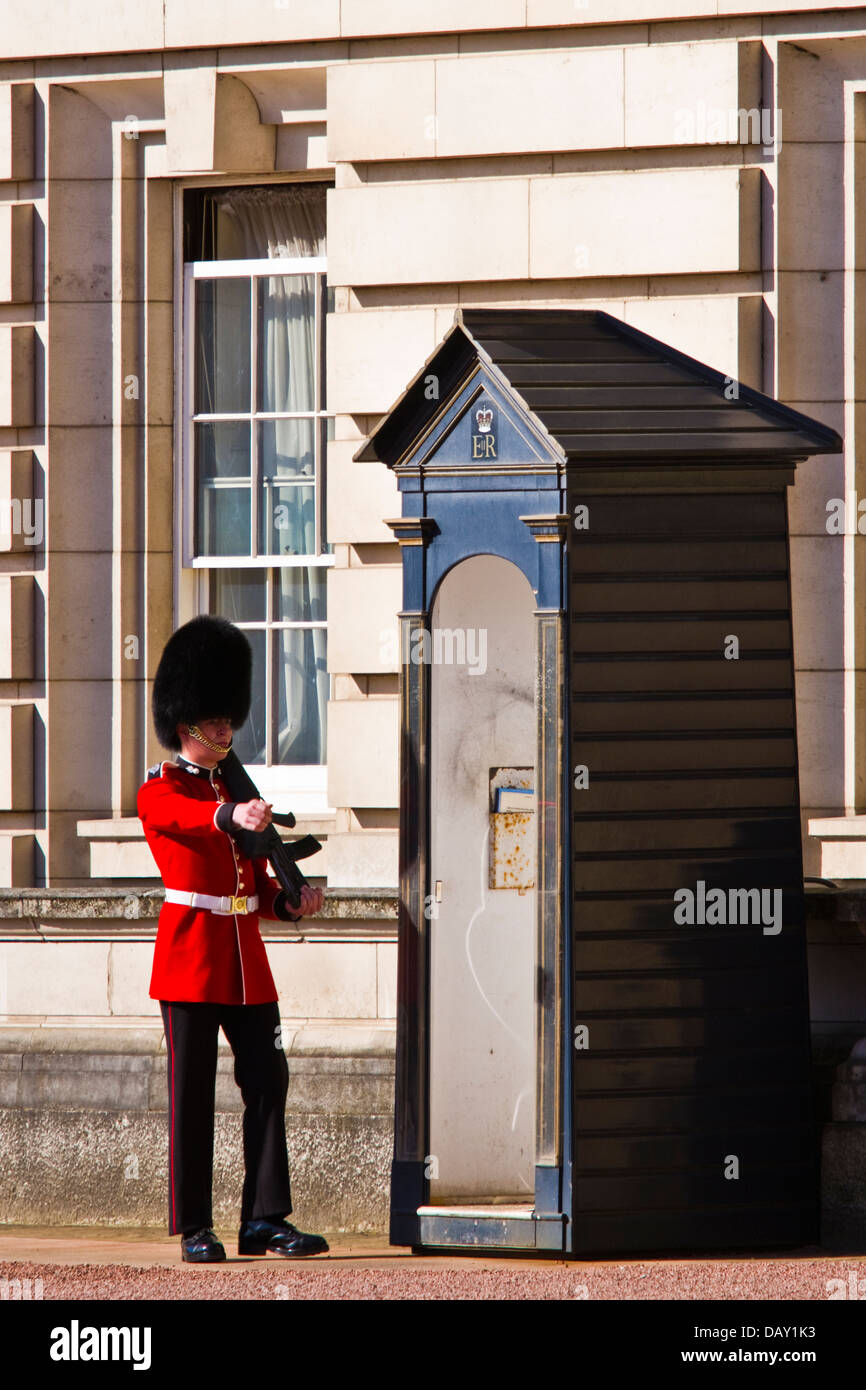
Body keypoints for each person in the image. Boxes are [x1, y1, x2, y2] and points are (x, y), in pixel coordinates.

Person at [137, 614, 327, 1263]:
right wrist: (229, 814)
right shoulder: (161, 791)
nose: (224, 731)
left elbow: (249, 885)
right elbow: (188, 821)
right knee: (192, 1098)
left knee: (270, 1080)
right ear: (184, 722)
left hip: (247, 963)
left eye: (228, 720)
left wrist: (289, 902)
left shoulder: (236, 789)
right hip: (190, 960)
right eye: (213, 721)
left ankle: (264, 1219)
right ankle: (194, 1225)